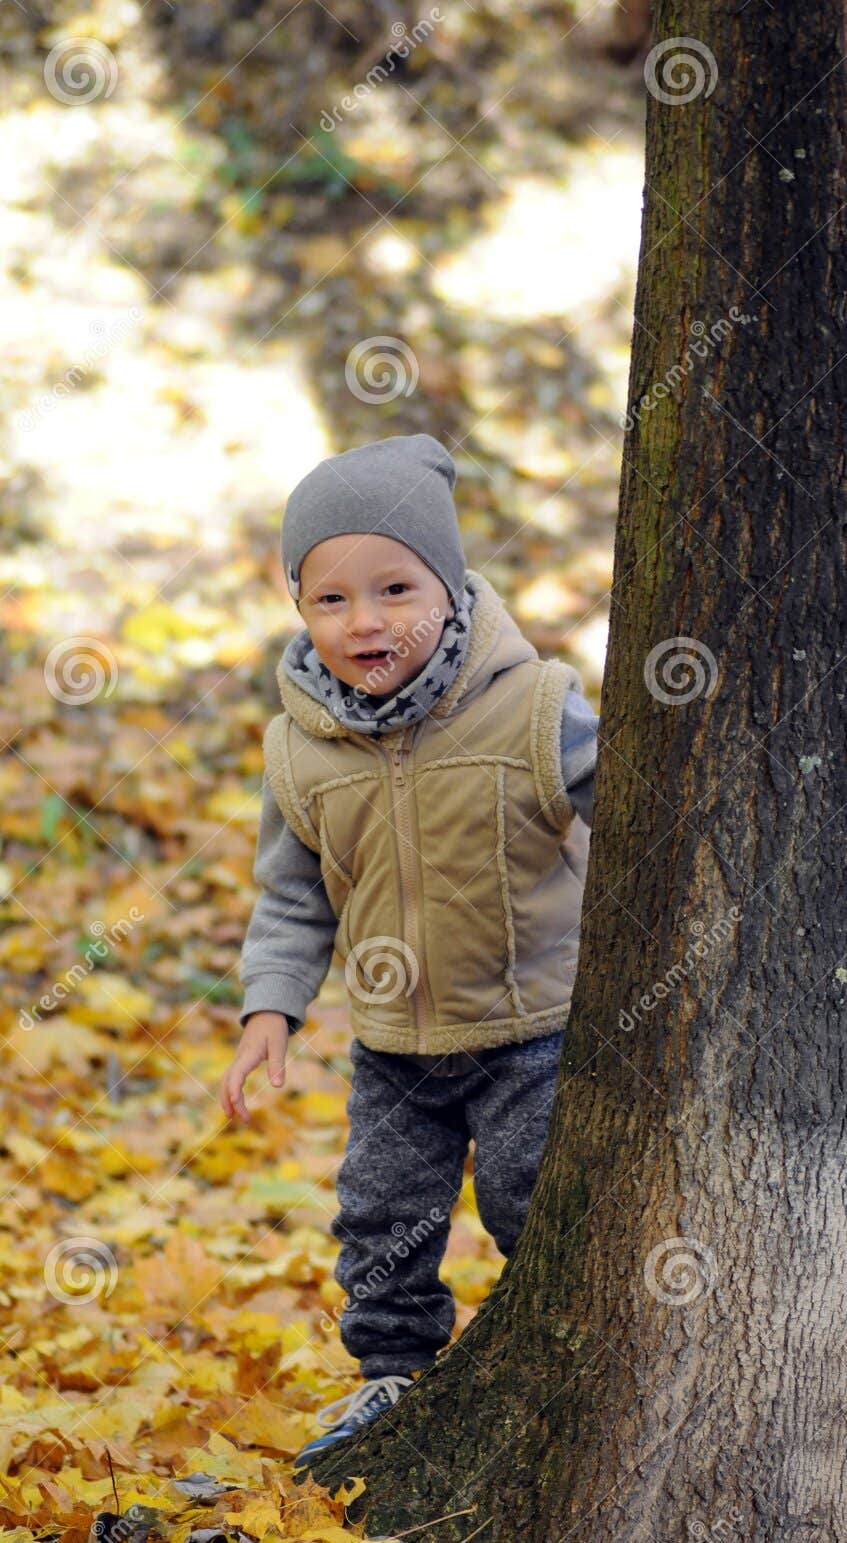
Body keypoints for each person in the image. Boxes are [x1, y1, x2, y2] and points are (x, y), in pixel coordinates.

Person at [218, 433, 598, 1469]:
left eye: (395, 587)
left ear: (451, 586)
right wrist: (269, 1012)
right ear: (299, 609)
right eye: (329, 599)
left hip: (530, 1028)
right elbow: (292, 898)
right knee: (381, 1212)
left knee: (533, 1197)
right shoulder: (299, 749)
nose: (366, 621)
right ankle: (394, 1375)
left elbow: (635, 823)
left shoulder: (533, 707)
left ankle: (555, 1363)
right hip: (394, 1045)